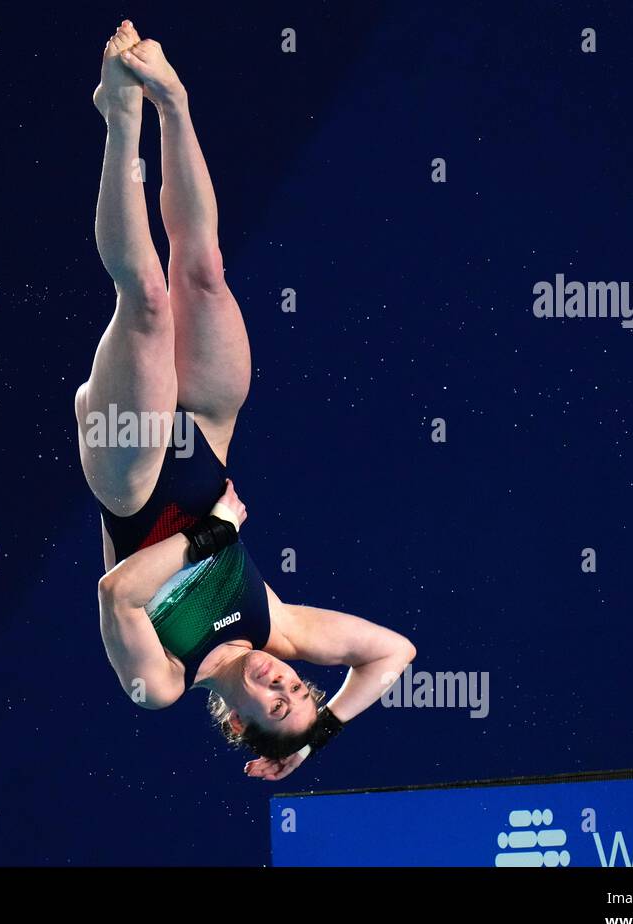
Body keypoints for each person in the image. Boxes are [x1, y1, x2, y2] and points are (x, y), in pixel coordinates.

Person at [76, 21, 416, 781]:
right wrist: (315, 734)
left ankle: (120, 121)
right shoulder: (281, 628)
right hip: (207, 436)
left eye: (276, 704)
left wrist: (212, 537)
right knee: (203, 272)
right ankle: (171, 100)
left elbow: (118, 594)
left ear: (237, 721)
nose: (284, 682)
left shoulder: (164, 681)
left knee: (150, 303)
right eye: (300, 689)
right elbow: (395, 653)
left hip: (129, 473)